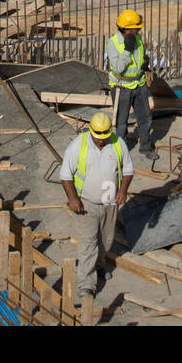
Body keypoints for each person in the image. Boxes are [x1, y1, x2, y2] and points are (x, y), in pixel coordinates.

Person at [60, 112, 133, 301]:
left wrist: (123, 190)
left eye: (104, 136)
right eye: (97, 136)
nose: (101, 140)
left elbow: (128, 170)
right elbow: (66, 174)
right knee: (88, 244)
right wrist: (73, 198)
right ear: (91, 131)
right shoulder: (79, 145)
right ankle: (86, 284)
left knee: (106, 241)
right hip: (86, 204)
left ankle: (99, 265)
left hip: (109, 203)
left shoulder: (118, 144)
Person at [105, 9, 154, 158]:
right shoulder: (113, 43)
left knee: (145, 118)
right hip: (122, 87)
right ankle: (122, 151)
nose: (139, 30)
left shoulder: (136, 37)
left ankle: (146, 147)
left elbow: (139, 57)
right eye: (136, 28)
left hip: (139, 83)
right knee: (121, 123)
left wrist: (144, 62)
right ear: (126, 28)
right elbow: (118, 68)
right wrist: (127, 50)